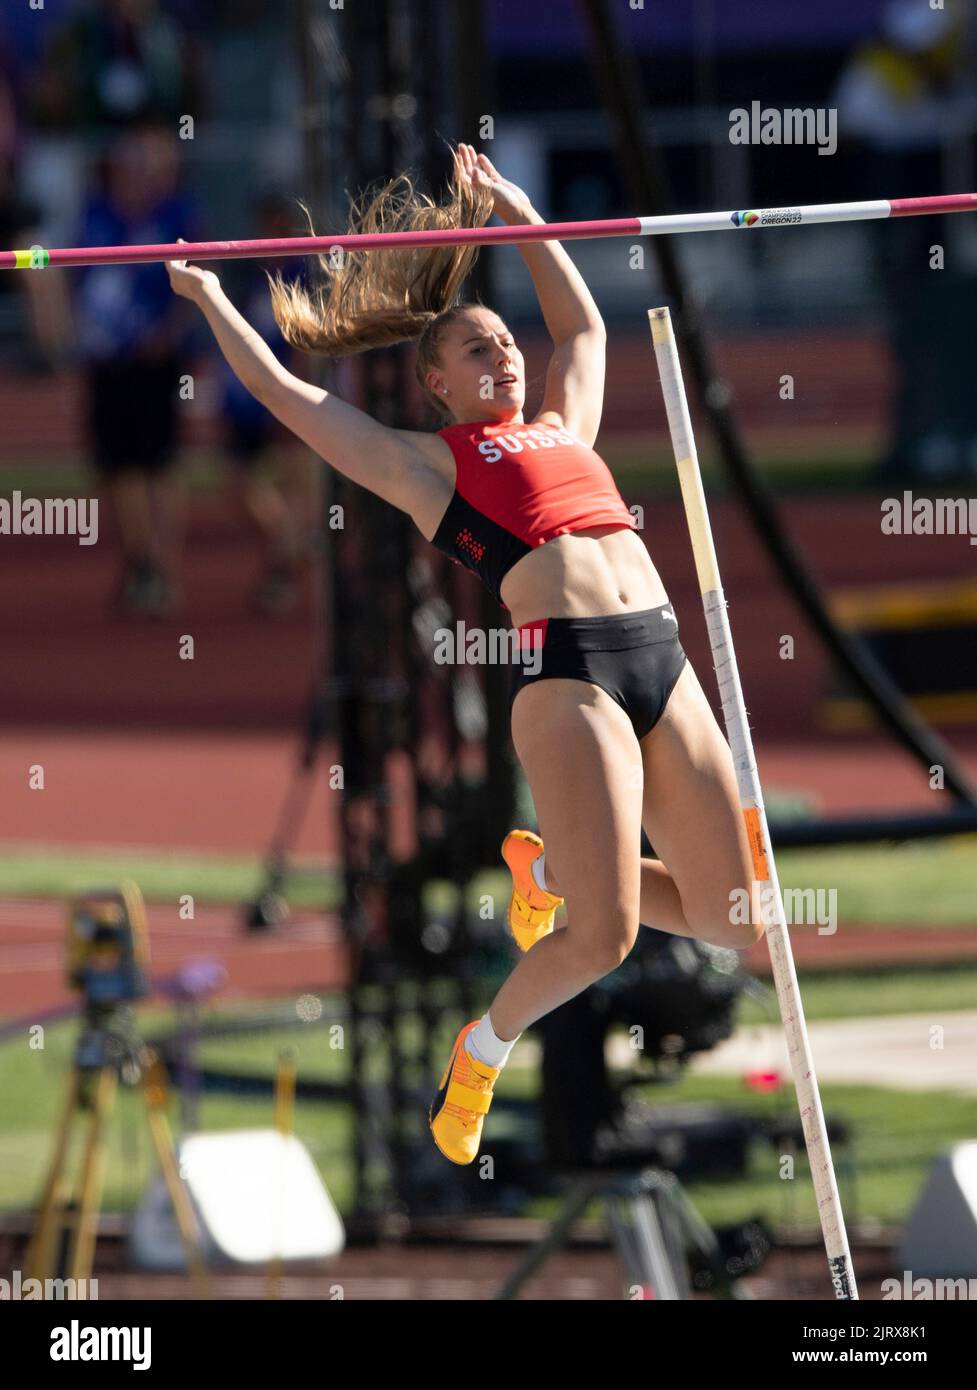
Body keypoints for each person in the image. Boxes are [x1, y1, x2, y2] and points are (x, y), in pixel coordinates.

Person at [165, 145, 763, 1167]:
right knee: (602, 937)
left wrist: (516, 211)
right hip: (571, 672)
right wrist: (213, 300)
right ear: (432, 381)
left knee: (735, 911)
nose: (503, 358)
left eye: (502, 345)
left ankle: (552, 866)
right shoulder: (428, 466)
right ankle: (482, 1049)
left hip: (660, 652)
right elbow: (287, 398)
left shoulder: (562, 426)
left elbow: (579, 325)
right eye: (476, 352)